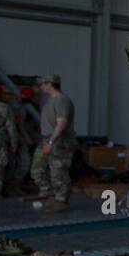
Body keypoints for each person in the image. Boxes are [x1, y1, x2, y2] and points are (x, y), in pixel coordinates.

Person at [31, 74, 75, 213]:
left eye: (43, 83)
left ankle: (61, 200)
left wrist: (51, 141)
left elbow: (61, 123)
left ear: (50, 84)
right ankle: (51, 195)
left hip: (58, 141)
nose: (41, 86)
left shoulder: (61, 100)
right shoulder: (51, 101)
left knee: (58, 172)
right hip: (47, 139)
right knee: (37, 169)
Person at [6, 86, 41, 195]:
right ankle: (14, 188)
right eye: (28, 97)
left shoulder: (17, 104)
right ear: (22, 95)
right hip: (14, 138)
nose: (29, 100)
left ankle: (14, 187)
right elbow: (19, 124)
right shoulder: (16, 106)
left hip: (13, 138)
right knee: (23, 162)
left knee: (15, 164)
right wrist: (27, 138)